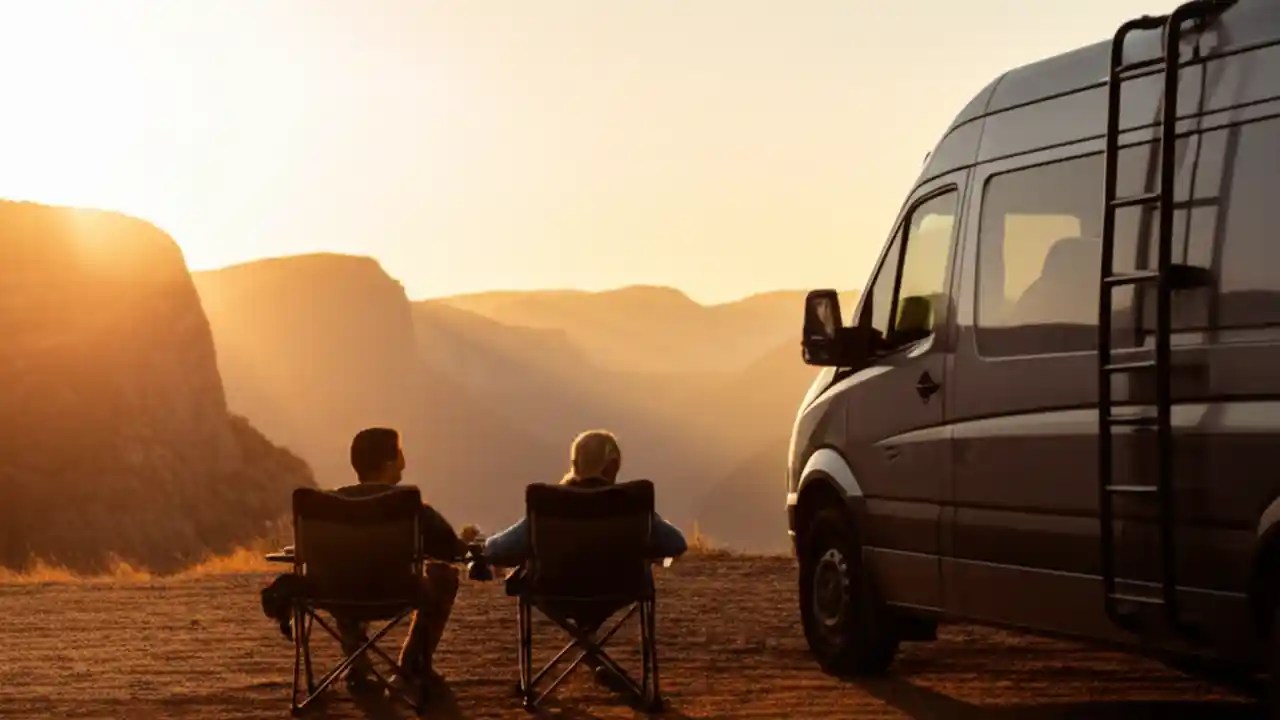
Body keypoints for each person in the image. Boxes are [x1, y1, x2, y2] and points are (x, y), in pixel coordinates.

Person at [483, 429, 687, 690]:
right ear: (613, 466)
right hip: (620, 589)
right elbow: (676, 544)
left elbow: (497, 550)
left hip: (554, 590)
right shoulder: (633, 503)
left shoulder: (549, 504)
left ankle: (534, 687)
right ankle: (638, 684)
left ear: (575, 464)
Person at [335, 427, 466, 697]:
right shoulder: (411, 506)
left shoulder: (328, 505)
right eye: (400, 451)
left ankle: (357, 665)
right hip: (397, 591)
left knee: (343, 575)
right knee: (443, 575)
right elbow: (451, 549)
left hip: (336, 595)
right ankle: (413, 665)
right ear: (390, 462)